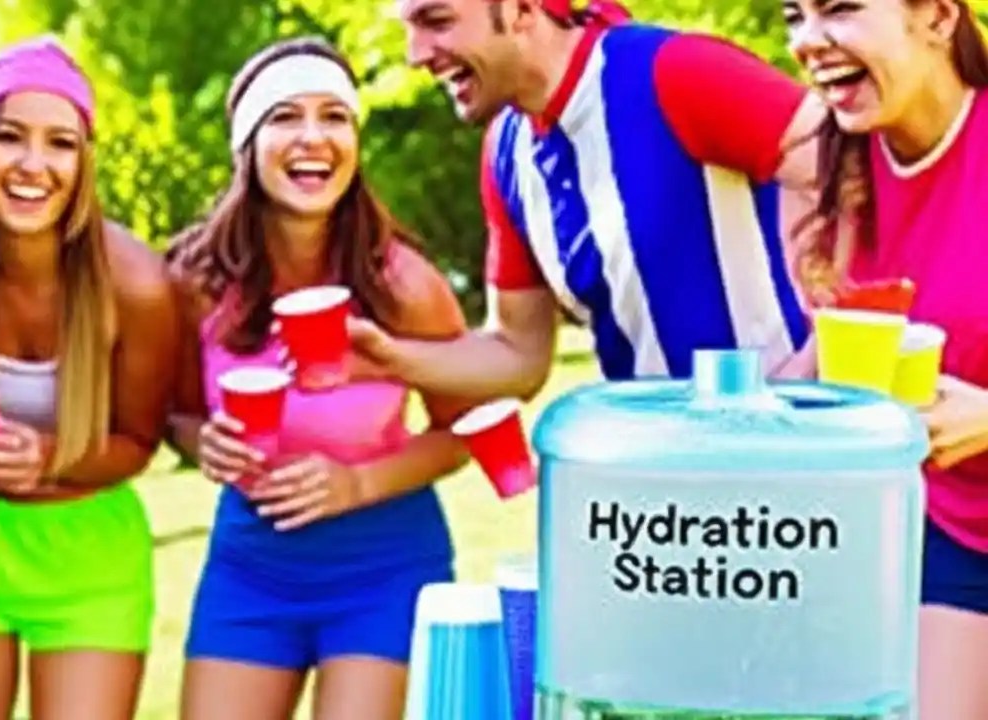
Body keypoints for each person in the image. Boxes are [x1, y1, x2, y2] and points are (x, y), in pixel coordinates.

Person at [165, 36, 473, 720]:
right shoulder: (193, 282)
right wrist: (200, 443)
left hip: (383, 564)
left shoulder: (405, 286)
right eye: (286, 117)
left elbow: (466, 431)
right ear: (248, 143)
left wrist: (357, 482)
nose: (315, 137)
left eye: (335, 116)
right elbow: (179, 413)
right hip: (251, 562)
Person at [0, 37, 179, 720]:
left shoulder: (136, 284)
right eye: (11, 138)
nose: (34, 165)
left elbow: (140, 440)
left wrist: (49, 458)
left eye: (61, 144)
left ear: (84, 164)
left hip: (88, 554)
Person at [348, 0, 829, 399]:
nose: (414, 54)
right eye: (409, 28)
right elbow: (518, 353)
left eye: (437, 21)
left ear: (521, 9)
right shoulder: (505, 152)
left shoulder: (673, 73)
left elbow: (860, 176)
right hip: (659, 478)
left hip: (789, 453)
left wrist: (799, 375)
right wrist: (388, 356)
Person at [781, 0, 988, 716]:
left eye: (837, 9)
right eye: (792, 15)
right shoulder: (842, 166)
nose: (809, 40)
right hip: (956, 529)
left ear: (935, 16)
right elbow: (829, 353)